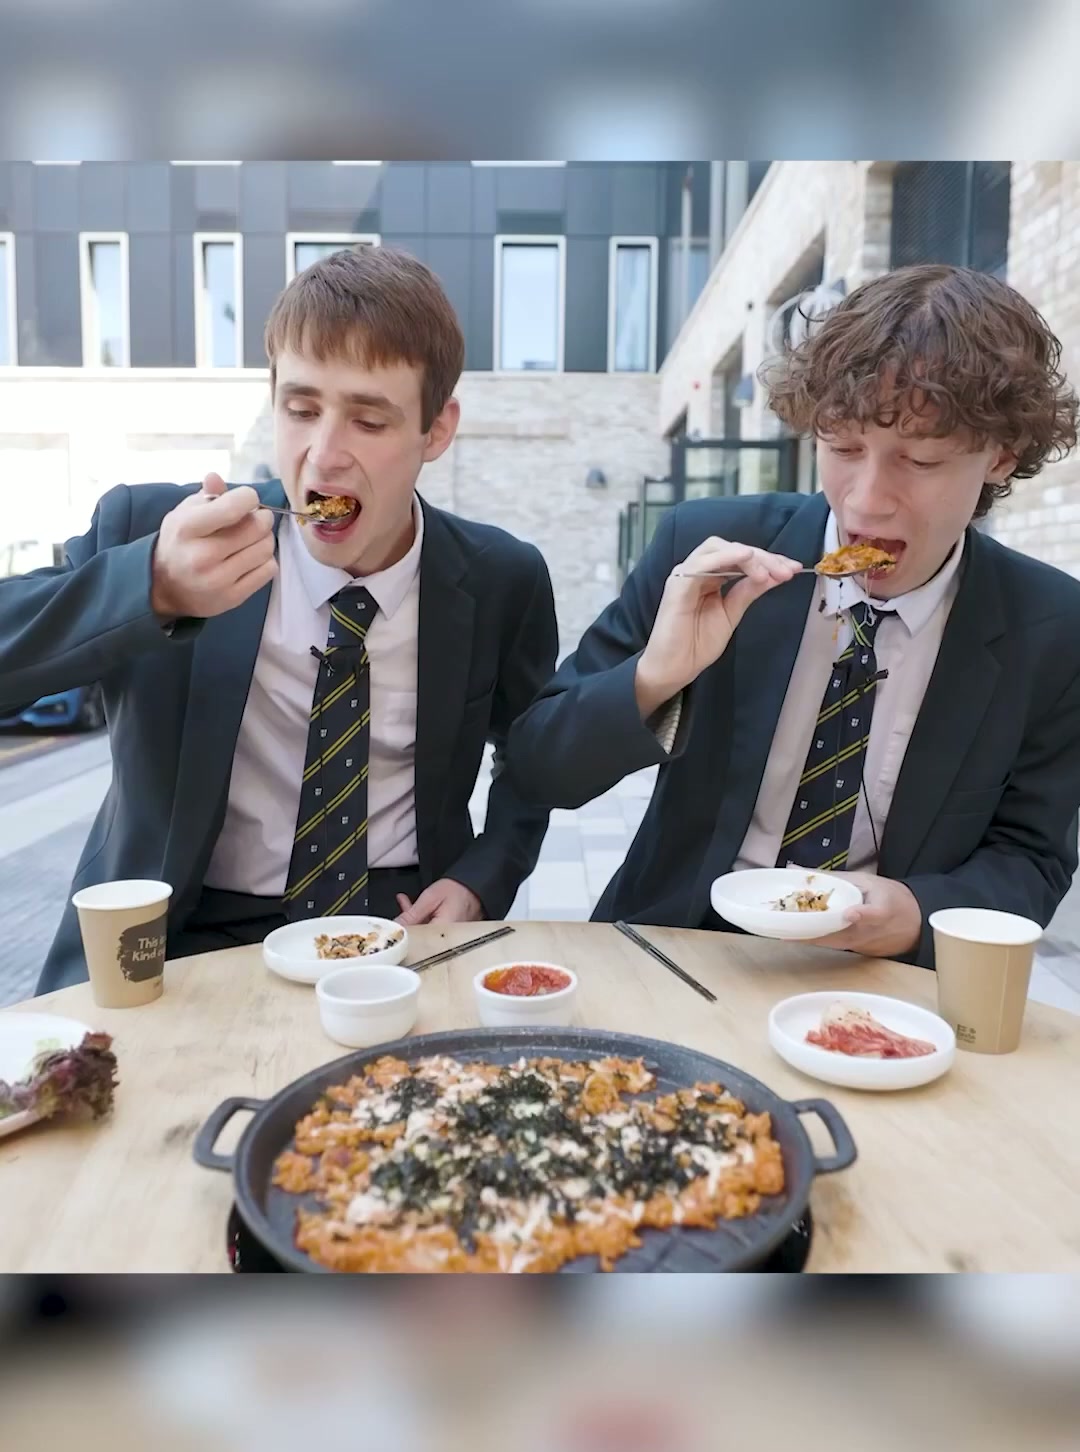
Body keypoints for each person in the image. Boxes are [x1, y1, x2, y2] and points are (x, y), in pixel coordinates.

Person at [0, 246, 558, 991]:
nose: (324, 458)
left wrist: (483, 877)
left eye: (368, 419)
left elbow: (537, 758)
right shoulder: (150, 530)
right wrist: (150, 587)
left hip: (401, 931)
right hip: (177, 939)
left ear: (436, 429)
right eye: (300, 410)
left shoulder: (500, 579)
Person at [506, 264, 1080, 965]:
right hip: (679, 951)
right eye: (842, 449)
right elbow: (538, 770)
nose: (866, 500)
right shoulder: (705, 551)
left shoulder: (1052, 627)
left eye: (920, 461)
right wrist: (655, 677)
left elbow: (1033, 855)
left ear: (1000, 456)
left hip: (885, 982)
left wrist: (917, 915)